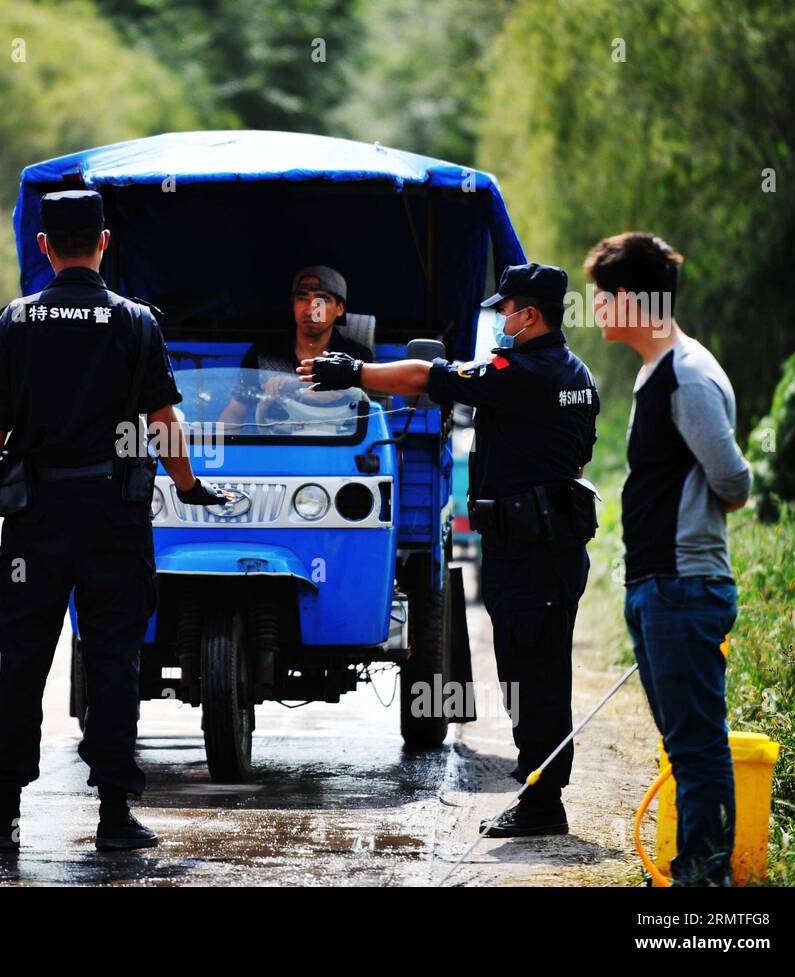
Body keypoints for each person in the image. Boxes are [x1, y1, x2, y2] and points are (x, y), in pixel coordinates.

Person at [0, 189, 228, 852]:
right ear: (104, 242)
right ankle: (113, 814)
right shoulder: (136, 322)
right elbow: (163, 421)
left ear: (44, 246)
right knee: (112, 663)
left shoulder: (16, 321)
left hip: (35, 522)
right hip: (113, 520)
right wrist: (189, 486)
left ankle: (3, 813)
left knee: (22, 663)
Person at [299, 262, 601, 837]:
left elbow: (426, 376)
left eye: (507, 310)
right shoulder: (577, 374)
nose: (502, 319)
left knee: (529, 673)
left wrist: (355, 371)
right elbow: (579, 455)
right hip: (555, 544)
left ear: (530, 315)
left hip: (528, 549)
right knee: (544, 669)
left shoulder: (517, 372)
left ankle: (543, 804)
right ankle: (541, 788)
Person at [586, 232, 750, 885]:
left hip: (684, 585)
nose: (596, 310)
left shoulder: (688, 373)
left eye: (602, 297)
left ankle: (704, 882)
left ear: (630, 299)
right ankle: (695, 871)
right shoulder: (655, 371)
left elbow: (734, 480)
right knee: (685, 746)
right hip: (656, 586)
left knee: (698, 745)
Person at [217, 265, 372, 427]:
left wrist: (299, 390)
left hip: (342, 441)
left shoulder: (356, 357)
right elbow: (234, 413)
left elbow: (372, 414)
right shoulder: (264, 353)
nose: (310, 311)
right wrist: (219, 443)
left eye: (322, 299)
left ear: (339, 309)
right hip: (278, 441)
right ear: (293, 305)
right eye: (302, 298)